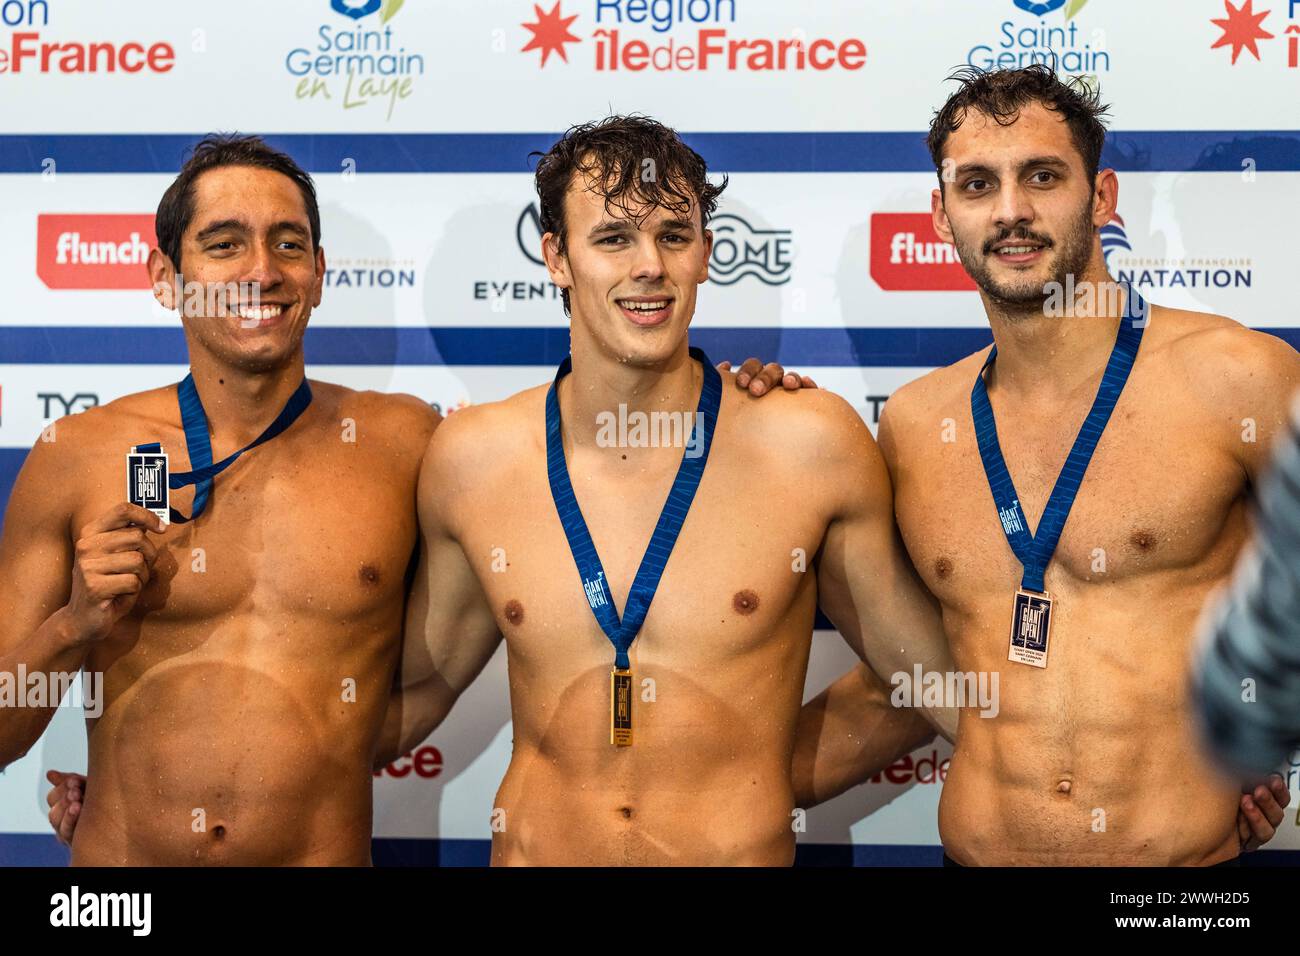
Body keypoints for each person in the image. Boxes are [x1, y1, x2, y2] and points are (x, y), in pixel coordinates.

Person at [371, 115, 957, 865]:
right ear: (556, 257)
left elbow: (922, 683)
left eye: (674, 236)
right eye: (613, 238)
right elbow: (414, 694)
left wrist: (745, 783)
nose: (649, 264)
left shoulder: (807, 444)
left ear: (706, 255)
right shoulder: (473, 458)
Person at [798, 65, 1296, 864]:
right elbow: (920, 675)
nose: (1011, 212)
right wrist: (696, 788)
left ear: (1101, 198)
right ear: (940, 214)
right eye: (976, 184)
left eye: (1042, 176)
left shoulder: (1237, 378)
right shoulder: (918, 427)